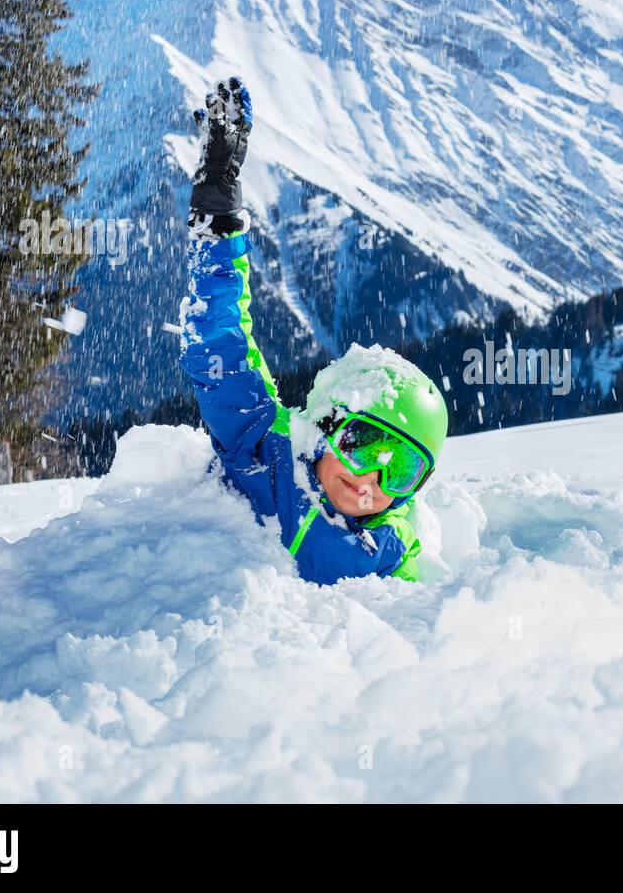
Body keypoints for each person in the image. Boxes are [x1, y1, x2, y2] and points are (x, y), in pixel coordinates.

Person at [179, 78, 446, 584]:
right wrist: (216, 218)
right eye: (364, 442)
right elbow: (217, 341)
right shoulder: (261, 449)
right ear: (327, 421)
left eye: (402, 469)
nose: (372, 477)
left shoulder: (391, 549)